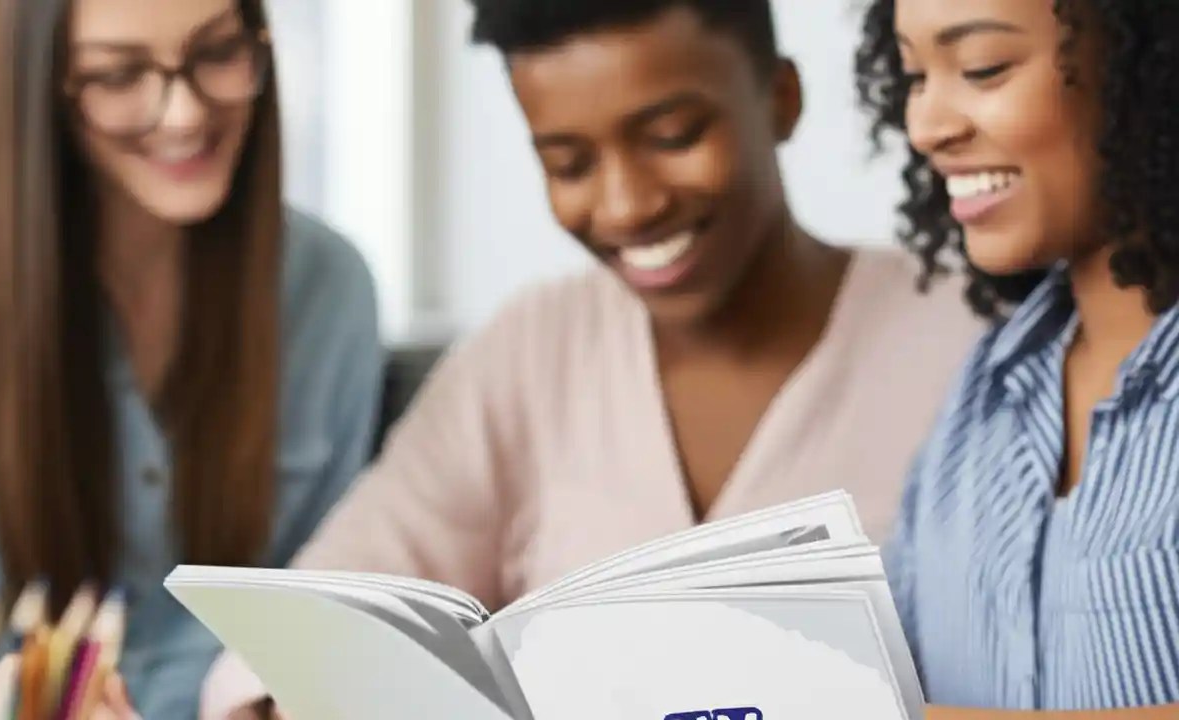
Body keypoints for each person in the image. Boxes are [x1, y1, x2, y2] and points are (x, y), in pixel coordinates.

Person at [203, 0, 984, 716]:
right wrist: (276, 698)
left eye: (674, 137)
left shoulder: (974, 345)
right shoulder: (532, 350)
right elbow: (326, 600)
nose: (625, 205)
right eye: (569, 164)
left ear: (781, 98)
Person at [0, 0, 383, 716]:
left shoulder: (330, 289)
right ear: (36, 83)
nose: (184, 114)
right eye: (119, 75)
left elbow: (325, 610)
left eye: (217, 52)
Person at [855, 0, 1179, 715]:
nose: (926, 126)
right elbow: (882, 679)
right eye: (914, 75)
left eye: (983, 67)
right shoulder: (980, 400)